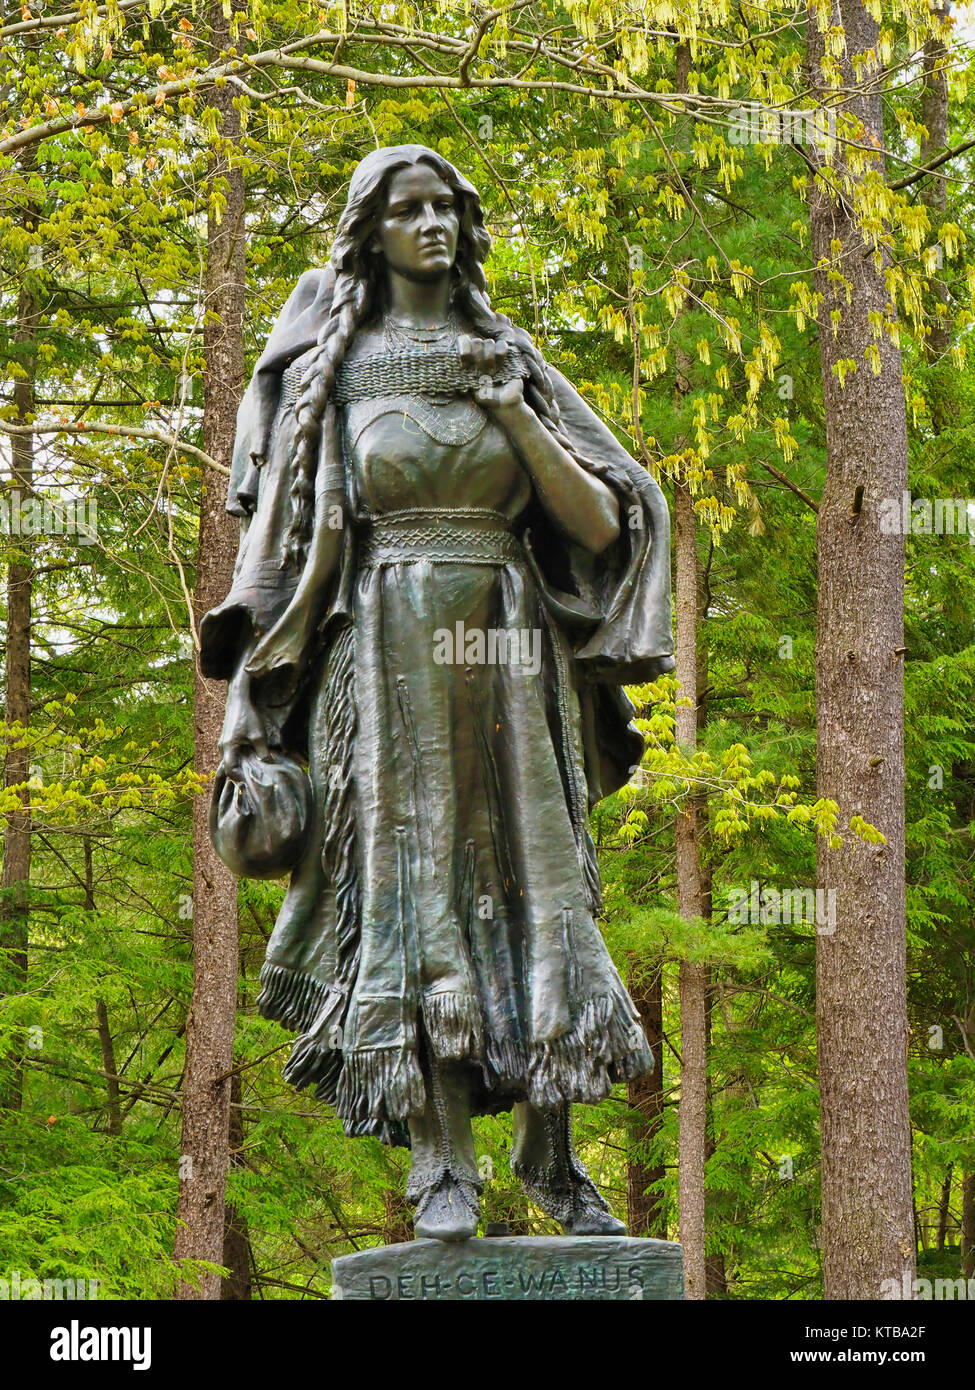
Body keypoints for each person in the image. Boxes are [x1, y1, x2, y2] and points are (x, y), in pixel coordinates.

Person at [201, 145, 675, 1241]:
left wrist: (512, 411)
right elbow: (277, 550)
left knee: (541, 887)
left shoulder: (509, 354)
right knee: (412, 893)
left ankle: (552, 1153)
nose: (434, 227)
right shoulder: (338, 365)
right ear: (372, 232)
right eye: (409, 211)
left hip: (515, 650)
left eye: (448, 210)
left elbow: (605, 524)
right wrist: (247, 704)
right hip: (383, 655)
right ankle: (440, 1160)